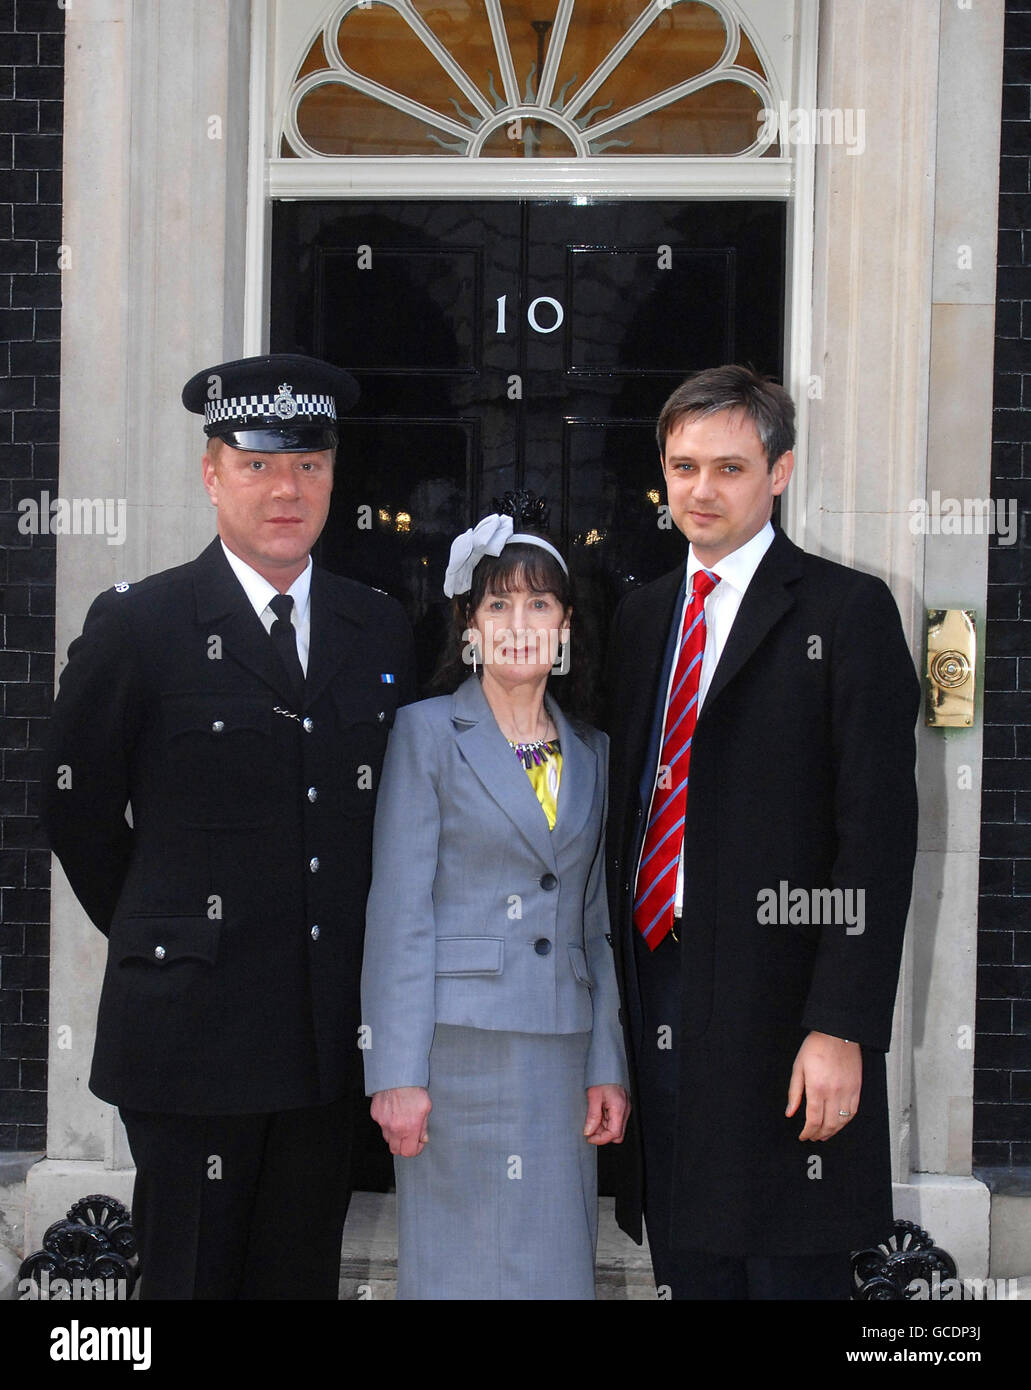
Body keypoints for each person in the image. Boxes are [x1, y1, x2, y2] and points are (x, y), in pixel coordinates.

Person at [42, 354, 416, 1299]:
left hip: (324, 1032)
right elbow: (73, 803)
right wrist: (158, 928)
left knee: (297, 1276)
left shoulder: (375, 626)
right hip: (189, 1034)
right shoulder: (143, 623)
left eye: (310, 465)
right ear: (211, 474)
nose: (286, 488)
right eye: (256, 464)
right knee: (193, 1276)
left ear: (334, 476)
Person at [605, 365, 920, 1300]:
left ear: (778, 473)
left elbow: (875, 839)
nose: (700, 491)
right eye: (683, 467)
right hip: (660, 989)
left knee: (786, 1266)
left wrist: (841, 1026)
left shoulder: (846, 612)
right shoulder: (639, 614)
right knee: (690, 1260)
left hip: (788, 1007)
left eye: (729, 468)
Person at [361, 504, 629, 1300]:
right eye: (498, 604)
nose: (519, 623)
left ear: (566, 624)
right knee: (456, 1270)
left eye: (539, 604)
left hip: (561, 1051)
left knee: (552, 1267)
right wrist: (395, 1073)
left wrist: (608, 1063)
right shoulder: (425, 733)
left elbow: (595, 922)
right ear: (468, 625)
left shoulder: (593, 751)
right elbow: (399, 914)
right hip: (454, 1051)